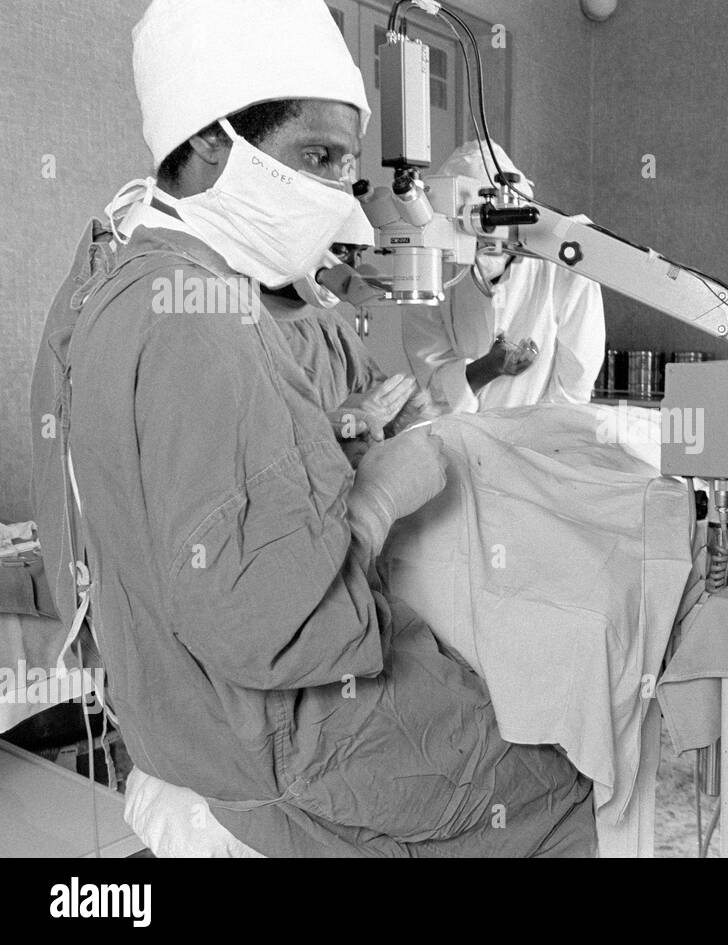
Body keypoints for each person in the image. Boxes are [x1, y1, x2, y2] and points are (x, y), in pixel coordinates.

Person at [29, 0, 594, 857]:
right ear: (215, 140)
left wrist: (345, 428)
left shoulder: (162, 266)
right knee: (561, 791)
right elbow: (276, 624)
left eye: (347, 165)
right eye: (316, 158)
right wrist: (371, 496)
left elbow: (250, 437)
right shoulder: (191, 318)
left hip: (190, 707)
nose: (340, 200)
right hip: (279, 739)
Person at [404, 141, 606, 412]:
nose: (483, 240)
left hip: (539, 438)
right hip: (458, 437)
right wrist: (484, 370)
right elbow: (431, 382)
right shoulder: (429, 266)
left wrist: (538, 441)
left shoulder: (562, 262)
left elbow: (575, 384)